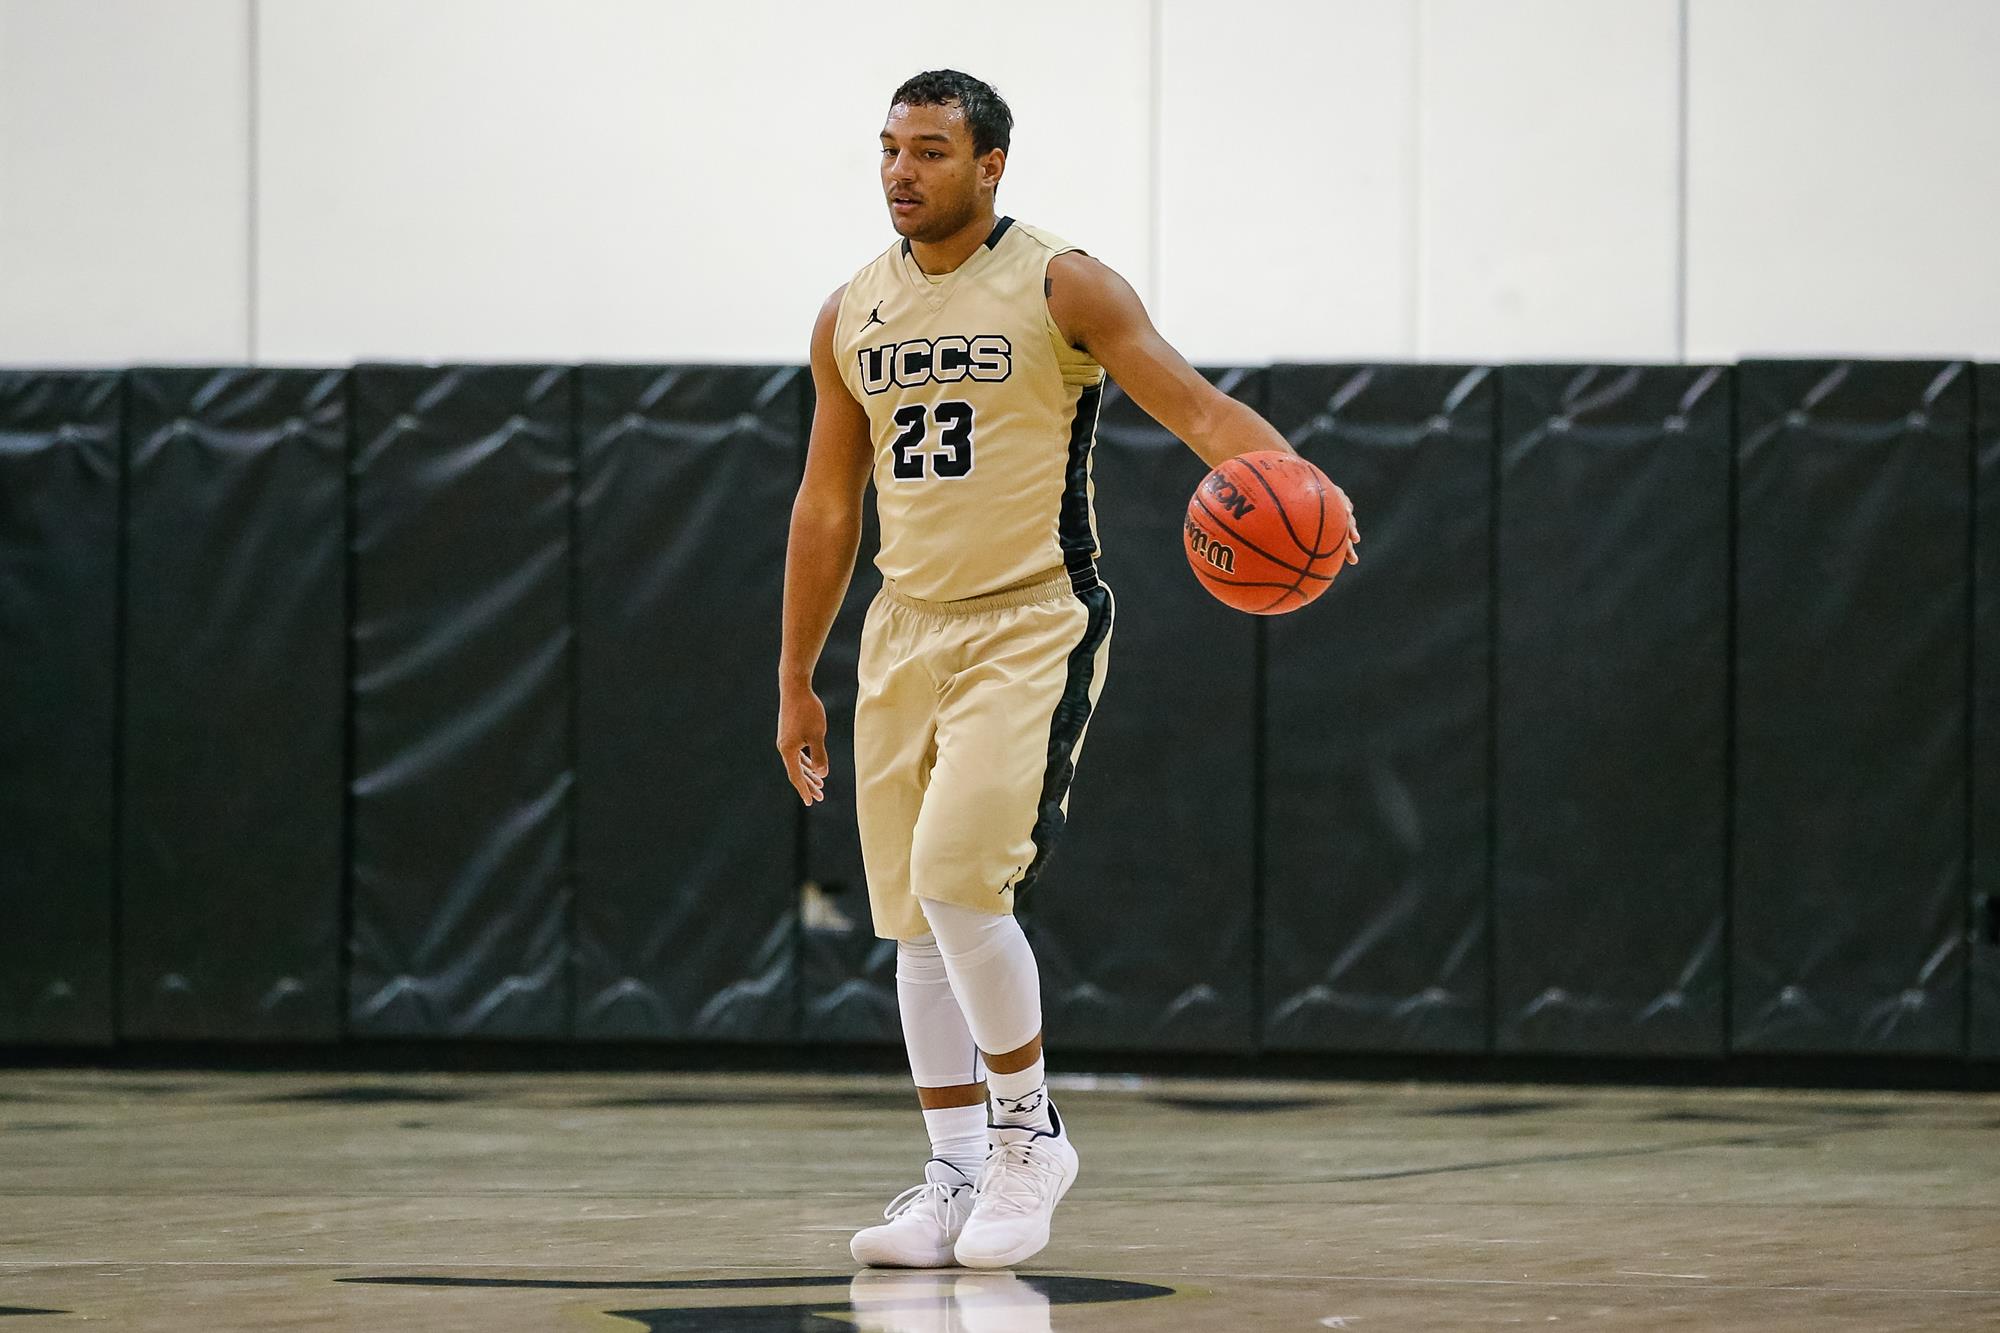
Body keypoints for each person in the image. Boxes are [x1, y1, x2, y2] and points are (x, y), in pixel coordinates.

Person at [776, 69, 1358, 1272]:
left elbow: (1197, 411)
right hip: (902, 628)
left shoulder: (1060, 283)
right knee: (914, 923)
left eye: (928, 151)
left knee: (958, 878)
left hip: (1031, 617)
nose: (899, 171)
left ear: (988, 164)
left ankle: (1028, 1136)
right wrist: (795, 674)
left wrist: (1307, 491)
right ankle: (951, 1175)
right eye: (888, 148)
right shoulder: (848, 312)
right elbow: (826, 506)